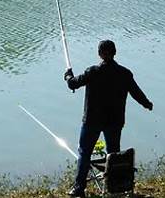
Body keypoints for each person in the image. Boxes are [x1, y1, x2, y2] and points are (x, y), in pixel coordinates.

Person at [64, 40, 153, 197]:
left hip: (92, 121)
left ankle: (79, 188)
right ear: (114, 53)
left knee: (84, 152)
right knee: (113, 153)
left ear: (99, 54)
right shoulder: (125, 74)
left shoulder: (92, 72)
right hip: (114, 122)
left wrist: (68, 74)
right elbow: (136, 93)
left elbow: (72, 84)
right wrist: (147, 104)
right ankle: (115, 186)